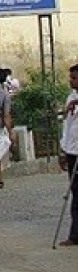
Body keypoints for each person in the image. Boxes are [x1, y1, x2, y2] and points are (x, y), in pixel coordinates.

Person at [58, 63, 78, 246]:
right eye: (71, 78)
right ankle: (75, 234)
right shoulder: (70, 98)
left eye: (75, 78)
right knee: (75, 192)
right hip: (73, 150)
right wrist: (63, 151)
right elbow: (67, 126)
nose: (71, 81)